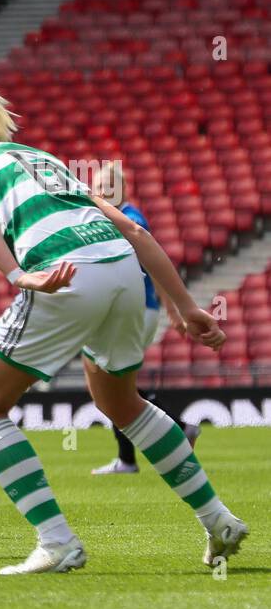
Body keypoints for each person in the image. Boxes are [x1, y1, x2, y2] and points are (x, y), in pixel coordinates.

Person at [0, 75, 247, 575]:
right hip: (121, 268)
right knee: (121, 402)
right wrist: (186, 307)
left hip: (68, 272)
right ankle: (218, 519)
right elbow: (133, 228)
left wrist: (17, 274)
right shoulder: (45, 161)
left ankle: (56, 543)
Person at [86, 163, 199, 474]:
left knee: (114, 388)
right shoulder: (110, 217)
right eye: (97, 182)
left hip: (135, 311)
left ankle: (144, 450)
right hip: (130, 311)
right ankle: (165, 436)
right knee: (118, 388)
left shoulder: (130, 219)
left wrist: (173, 309)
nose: (101, 188)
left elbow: (151, 263)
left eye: (108, 183)